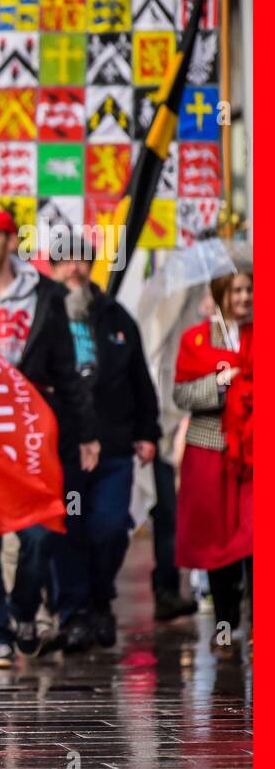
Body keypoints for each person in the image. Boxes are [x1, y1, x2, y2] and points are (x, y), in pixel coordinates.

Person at [0, 209, 98, 669]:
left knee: (37, 534)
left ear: (10, 241)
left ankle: (23, 610)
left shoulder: (46, 296)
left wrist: (86, 433)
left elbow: (67, 371)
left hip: (30, 433)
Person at [47, 247, 161, 651]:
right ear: (51, 266)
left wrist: (148, 431)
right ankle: (75, 611)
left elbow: (140, 379)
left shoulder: (116, 317)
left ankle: (99, 597)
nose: (73, 269)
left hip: (113, 450)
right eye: (64, 261)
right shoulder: (43, 315)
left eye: (80, 260)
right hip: (65, 452)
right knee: (70, 527)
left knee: (111, 527)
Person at [174, 266, 252, 653]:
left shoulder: (259, 335)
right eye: (236, 290)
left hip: (253, 453)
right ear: (221, 294)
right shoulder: (196, 340)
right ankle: (225, 626)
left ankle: (255, 626)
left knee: (254, 540)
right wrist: (220, 383)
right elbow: (182, 396)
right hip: (211, 449)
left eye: (248, 290)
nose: (244, 298)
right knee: (219, 545)